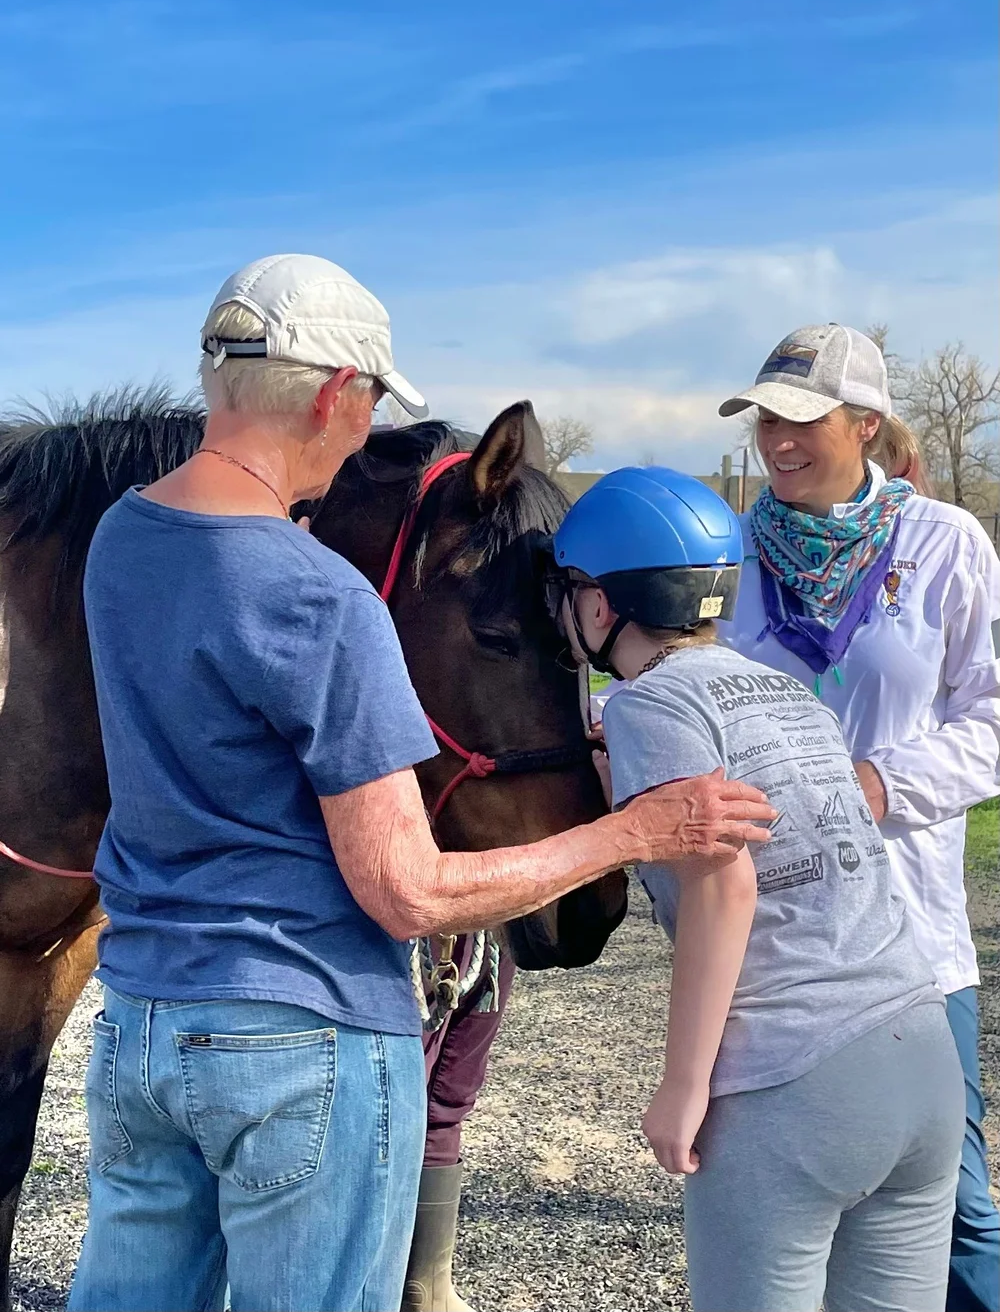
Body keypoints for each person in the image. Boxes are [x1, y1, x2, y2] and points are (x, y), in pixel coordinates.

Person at [67, 254, 777, 1312]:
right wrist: (629, 832)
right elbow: (409, 892)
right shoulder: (320, 596)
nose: (363, 437)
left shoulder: (121, 538)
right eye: (366, 411)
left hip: (143, 1022)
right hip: (300, 1035)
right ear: (329, 395)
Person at [547, 465, 966, 1312]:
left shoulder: (645, 703)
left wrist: (682, 1085)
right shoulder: (789, 694)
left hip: (797, 1082)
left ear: (598, 606)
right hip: (922, 1061)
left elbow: (724, 885)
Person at [718, 323, 1000, 1312]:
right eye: (765, 418)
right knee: (778, 1204)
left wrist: (880, 784)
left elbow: (991, 717)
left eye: (802, 418)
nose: (776, 439)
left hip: (912, 939)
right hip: (770, 939)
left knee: (956, 1209)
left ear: (866, 424)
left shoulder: (944, 544)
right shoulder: (731, 556)